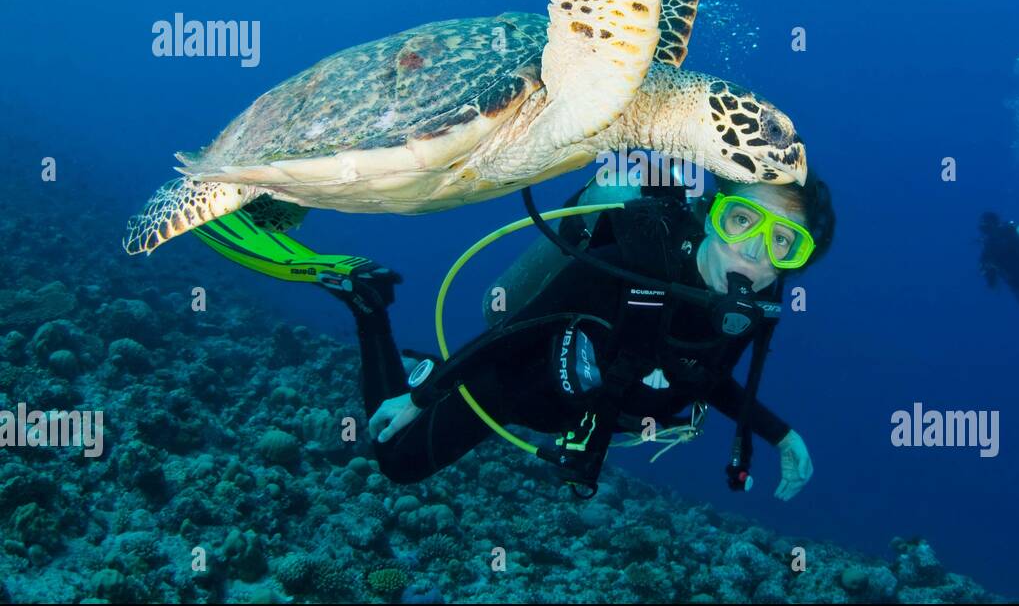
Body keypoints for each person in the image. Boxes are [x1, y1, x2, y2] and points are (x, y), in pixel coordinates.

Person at [194, 169, 835, 500]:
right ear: (710, 210)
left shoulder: (752, 306)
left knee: (414, 429)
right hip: (512, 381)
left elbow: (709, 376)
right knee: (398, 464)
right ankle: (368, 307)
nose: (752, 252)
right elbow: (521, 326)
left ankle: (422, 373)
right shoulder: (637, 261)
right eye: (741, 219)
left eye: (782, 242)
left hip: (575, 412)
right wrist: (423, 399)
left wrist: (782, 435)